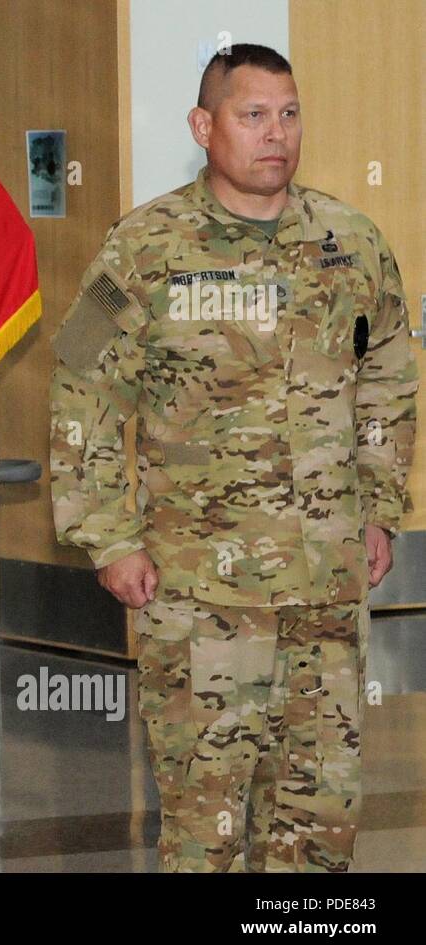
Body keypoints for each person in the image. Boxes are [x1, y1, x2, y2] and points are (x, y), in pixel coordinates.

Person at [50, 44, 417, 872]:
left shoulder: (350, 243)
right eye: (253, 116)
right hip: (197, 594)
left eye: (288, 115)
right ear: (203, 126)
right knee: (204, 826)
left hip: (324, 585)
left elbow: (390, 371)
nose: (275, 134)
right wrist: (109, 538)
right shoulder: (143, 249)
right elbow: (84, 391)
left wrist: (380, 504)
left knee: (322, 822)